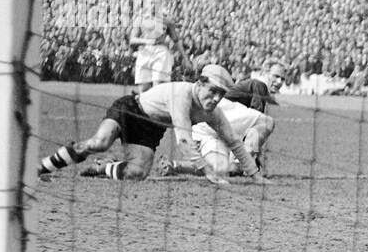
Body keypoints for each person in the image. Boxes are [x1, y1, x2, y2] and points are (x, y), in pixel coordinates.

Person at [37, 65, 263, 186]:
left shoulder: (214, 112)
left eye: (221, 94)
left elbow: (234, 142)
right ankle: (41, 168)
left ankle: (103, 168)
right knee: (100, 142)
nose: (215, 98)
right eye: (212, 91)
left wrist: (256, 177)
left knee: (137, 174)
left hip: (150, 128)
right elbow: (184, 140)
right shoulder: (181, 95)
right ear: (199, 84)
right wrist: (208, 172)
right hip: (131, 109)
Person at [160, 61, 284, 177]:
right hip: (219, 115)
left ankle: (175, 165)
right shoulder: (259, 84)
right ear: (265, 72)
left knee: (221, 168)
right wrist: (252, 154)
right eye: (276, 76)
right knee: (267, 122)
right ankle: (240, 163)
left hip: (201, 127)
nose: (279, 81)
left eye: (282, 79)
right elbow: (257, 119)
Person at [130, 11, 175, 93]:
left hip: (161, 52)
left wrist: (185, 58)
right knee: (143, 88)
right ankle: (144, 105)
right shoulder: (140, 19)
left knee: (158, 86)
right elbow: (132, 39)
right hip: (145, 52)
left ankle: (158, 104)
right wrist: (148, 41)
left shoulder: (167, 20)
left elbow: (176, 39)